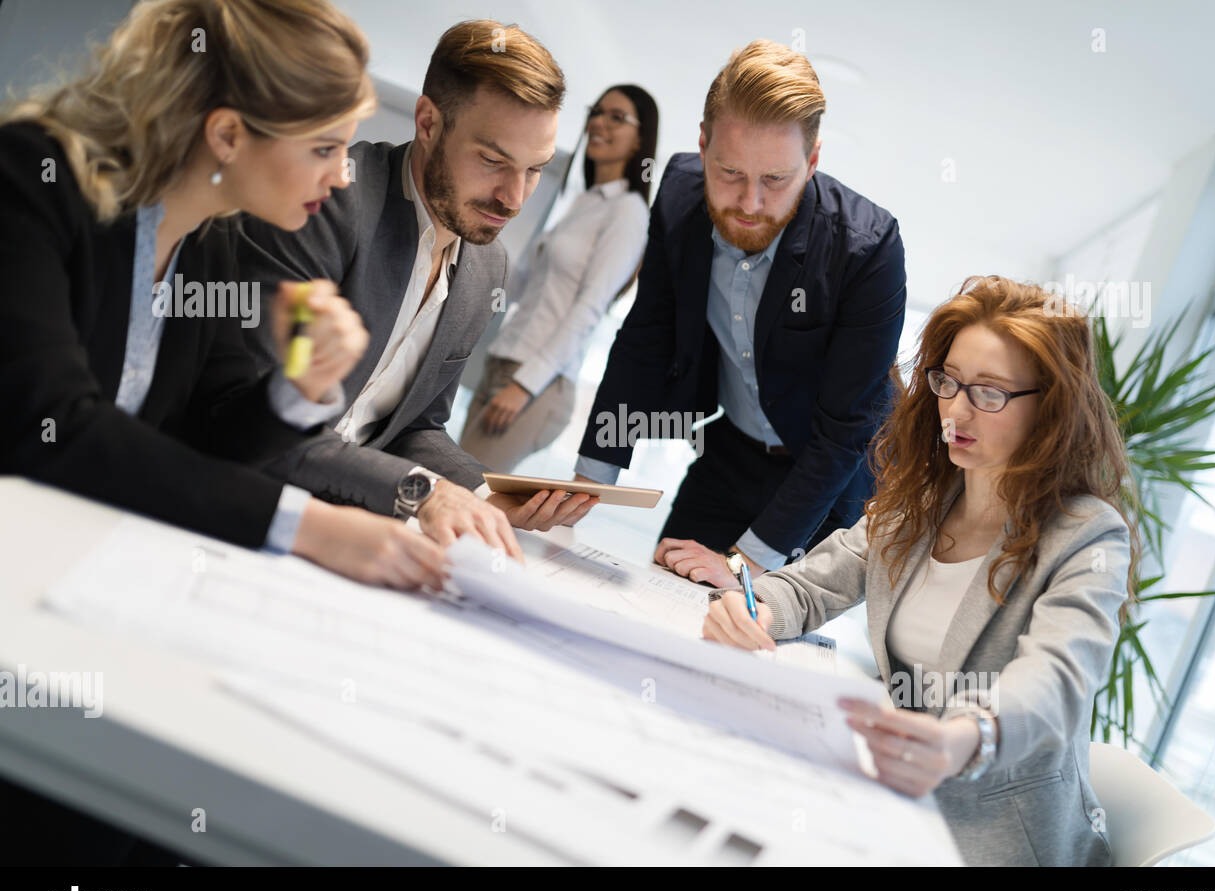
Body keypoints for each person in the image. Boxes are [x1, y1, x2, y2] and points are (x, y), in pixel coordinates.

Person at [0, 0, 456, 863]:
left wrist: (291, 393)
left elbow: (186, 449)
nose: (344, 176)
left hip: (63, 603)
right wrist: (308, 525)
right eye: (324, 148)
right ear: (226, 135)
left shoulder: (207, 246)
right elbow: (55, 428)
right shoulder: (31, 177)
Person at [702, 275, 1141, 866]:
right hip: (888, 806)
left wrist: (966, 738)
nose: (956, 410)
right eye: (948, 382)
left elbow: (1057, 679)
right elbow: (810, 585)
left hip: (997, 841)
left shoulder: (1087, 534)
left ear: (1051, 407)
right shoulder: (919, 504)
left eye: (989, 393)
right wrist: (753, 608)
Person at [227, 19, 596, 553]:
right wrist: (423, 492)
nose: (514, 198)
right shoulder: (328, 203)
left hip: (349, 526)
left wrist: (485, 490)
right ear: (427, 122)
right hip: (245, 502)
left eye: (535, 169)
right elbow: (267, 415)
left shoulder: (486, 267)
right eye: (492, 161)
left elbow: (416, 425)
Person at [572, 39, 906, 590]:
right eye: (729, 172)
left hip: (824, 482)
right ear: (702, 146)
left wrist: (743, 567)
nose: (749, 203)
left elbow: (847, 431)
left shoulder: (867, 249)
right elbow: (646, 338)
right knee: (662, 593)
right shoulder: (678, 193)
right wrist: (588, 482)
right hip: (729, 452)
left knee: (750, 638)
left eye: (775, 180)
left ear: (813, 162)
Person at [460, 83, 658, 472]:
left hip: (537, 385)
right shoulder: (582, 202)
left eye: (617, 117)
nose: (600, 122)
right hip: (503, 362)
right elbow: (521, 285)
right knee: (451, 489)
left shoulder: (628, 211)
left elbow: (589, 307)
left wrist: (524, 386)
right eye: (596, 112)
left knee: (464, 493)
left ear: (640, 140)